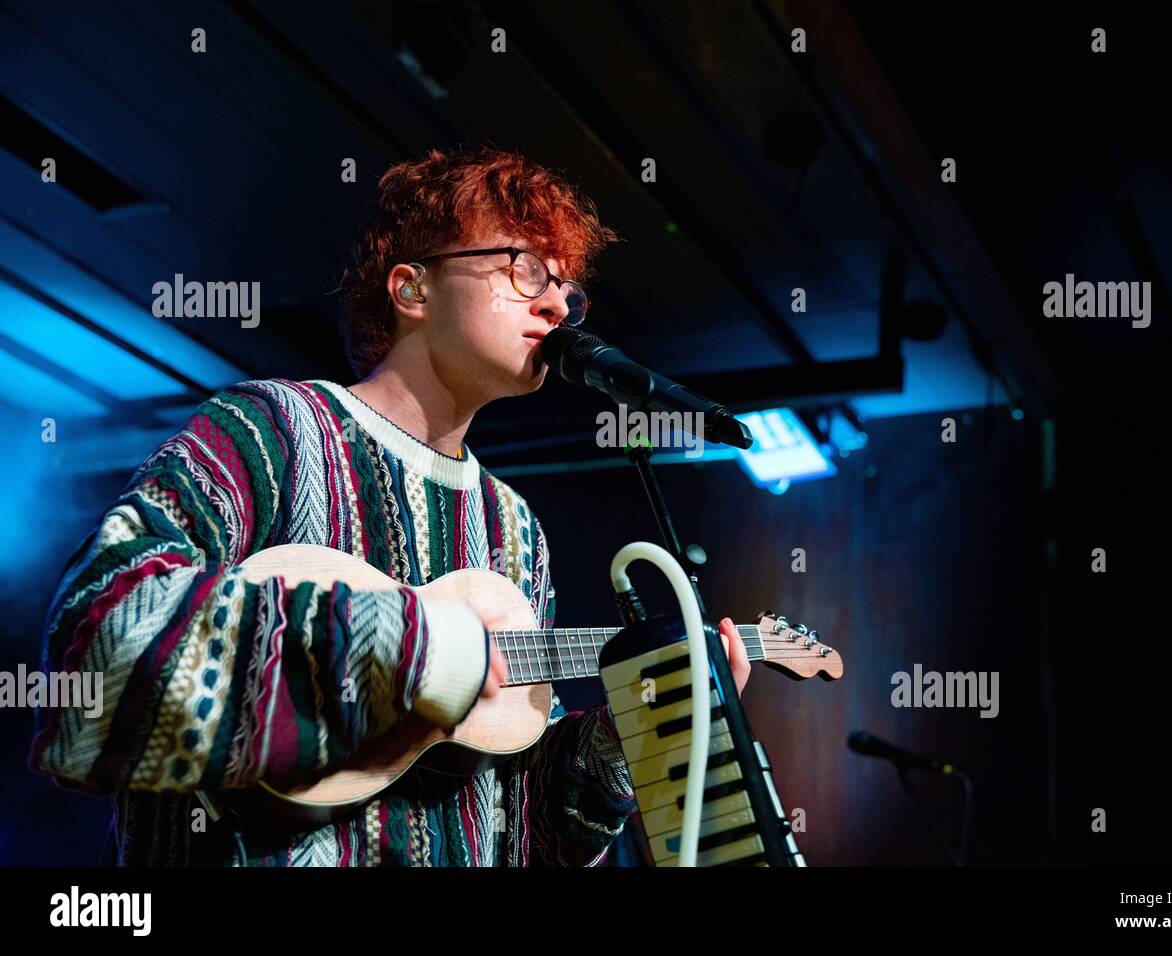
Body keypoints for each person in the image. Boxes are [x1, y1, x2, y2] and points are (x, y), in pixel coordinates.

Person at [29, 146, 749, 866]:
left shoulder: (517, 531)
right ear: (412, 290)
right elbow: (95, 645)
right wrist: (407, 644)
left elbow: (516, 829)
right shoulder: (271, 430)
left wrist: (621, 740)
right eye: (524, 267)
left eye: (567, 287)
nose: (558, 302)